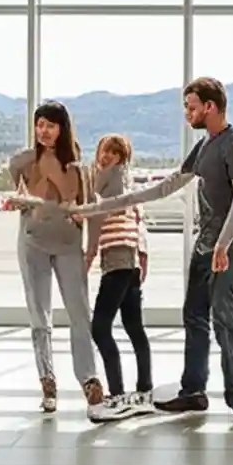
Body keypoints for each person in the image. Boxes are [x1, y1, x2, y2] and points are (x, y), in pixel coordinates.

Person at [67, 77, 233, 429]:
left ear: (209, 107)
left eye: (191, 107)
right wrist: (102, 207)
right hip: (206, 244)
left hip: (231, 246)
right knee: (194, 315)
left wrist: (224, 245)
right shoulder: (204, 147)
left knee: (226, 319)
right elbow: (166, 187)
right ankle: (194, 390)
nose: (187, 113)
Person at [4, 101, 104, 418]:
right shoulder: (24, 159)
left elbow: (87, 209)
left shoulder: (78, 167)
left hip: (68, 246)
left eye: (50, 125)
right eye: (39, 124)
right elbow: (14, 179)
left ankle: (89, 380)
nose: (43, 131)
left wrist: (90, 248)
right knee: (40, 315)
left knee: (79, 313)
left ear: (62, 128)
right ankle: (47, 381)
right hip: (33, 243)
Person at [84, 133, 154, 422]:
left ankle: (117, 393)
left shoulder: (109, 180)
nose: (106, 157)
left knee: (100, 327)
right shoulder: (126, 184)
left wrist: (88, 257)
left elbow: (96, 213)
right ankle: (144, 390)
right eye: (104, 151)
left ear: (122, 159)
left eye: (114, 153)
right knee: (133, 326)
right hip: (129, 262)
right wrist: (143, 258)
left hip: (118, 261)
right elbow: (139, 223)